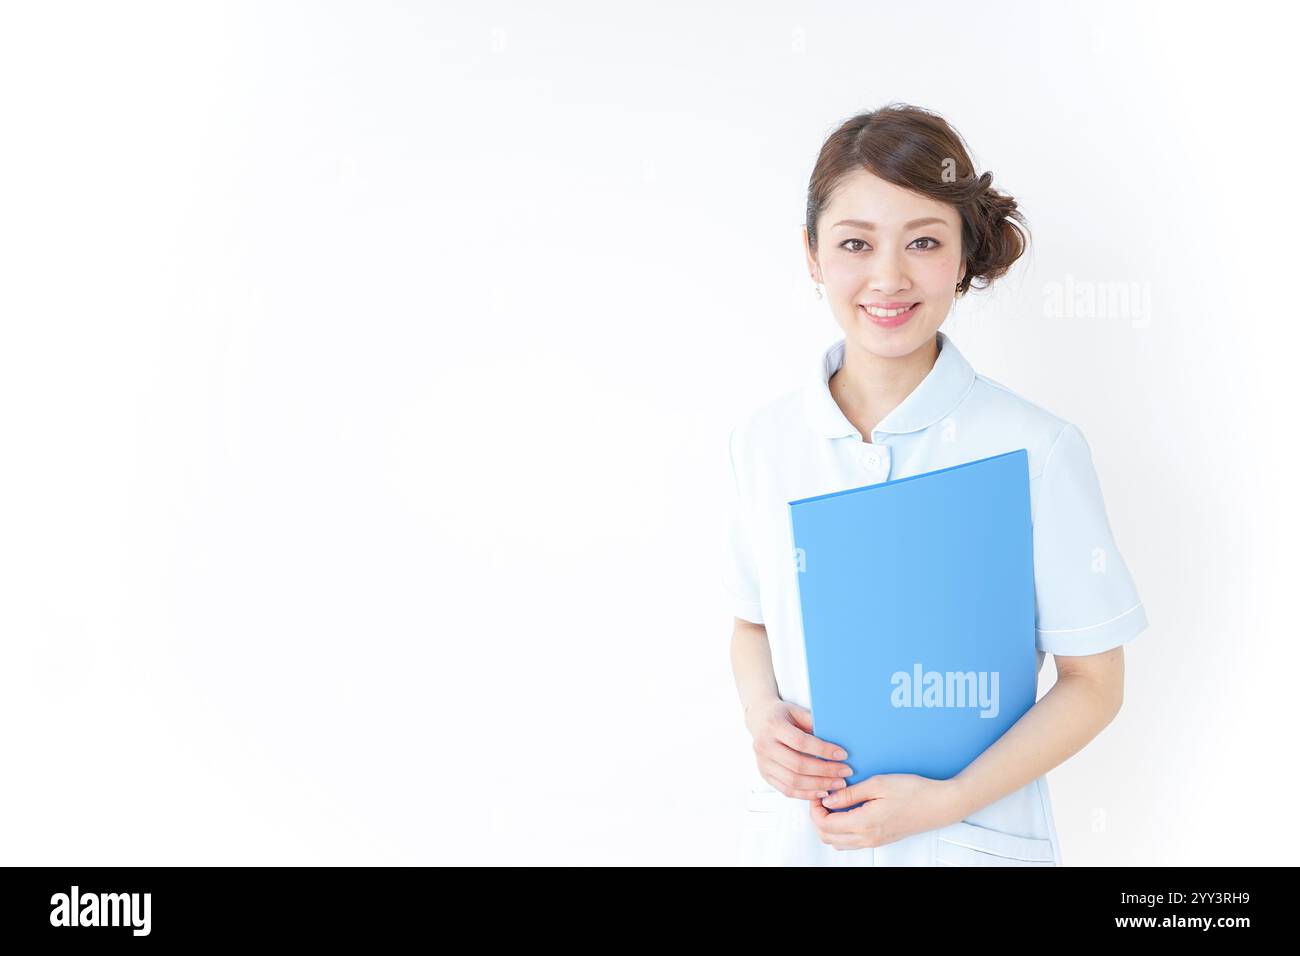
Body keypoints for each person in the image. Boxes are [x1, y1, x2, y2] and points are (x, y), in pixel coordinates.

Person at [723, 103, 1148, 866]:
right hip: (802, 840)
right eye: (856, 243)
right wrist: (763, 718)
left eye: (924, 241)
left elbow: (1095, 681)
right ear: (812, 255)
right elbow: (750, 623)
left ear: (962, 256)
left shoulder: (1037, 449)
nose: (889, 276)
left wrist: (949, 799)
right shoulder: (763, 443)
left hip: (968, 843)